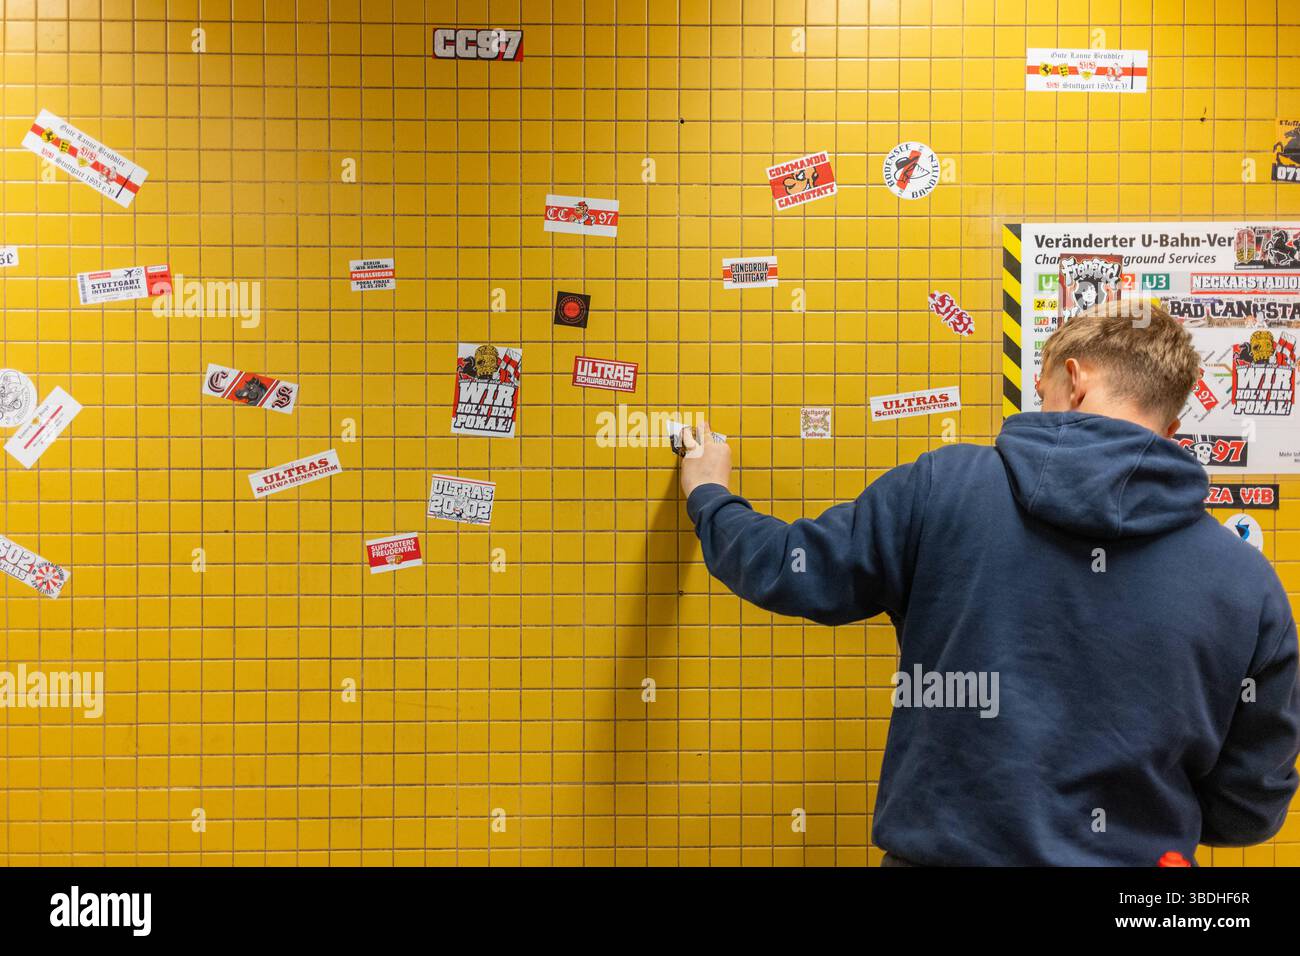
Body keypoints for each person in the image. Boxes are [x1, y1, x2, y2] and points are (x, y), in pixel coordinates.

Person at [678, 300, 1300, 866]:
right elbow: (1251, 805)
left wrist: (710, 495)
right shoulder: (1247, 583)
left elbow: (787, 567)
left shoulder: (943, 487)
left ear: (1075, 381)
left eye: (1043, 389)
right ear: (1169, 428)